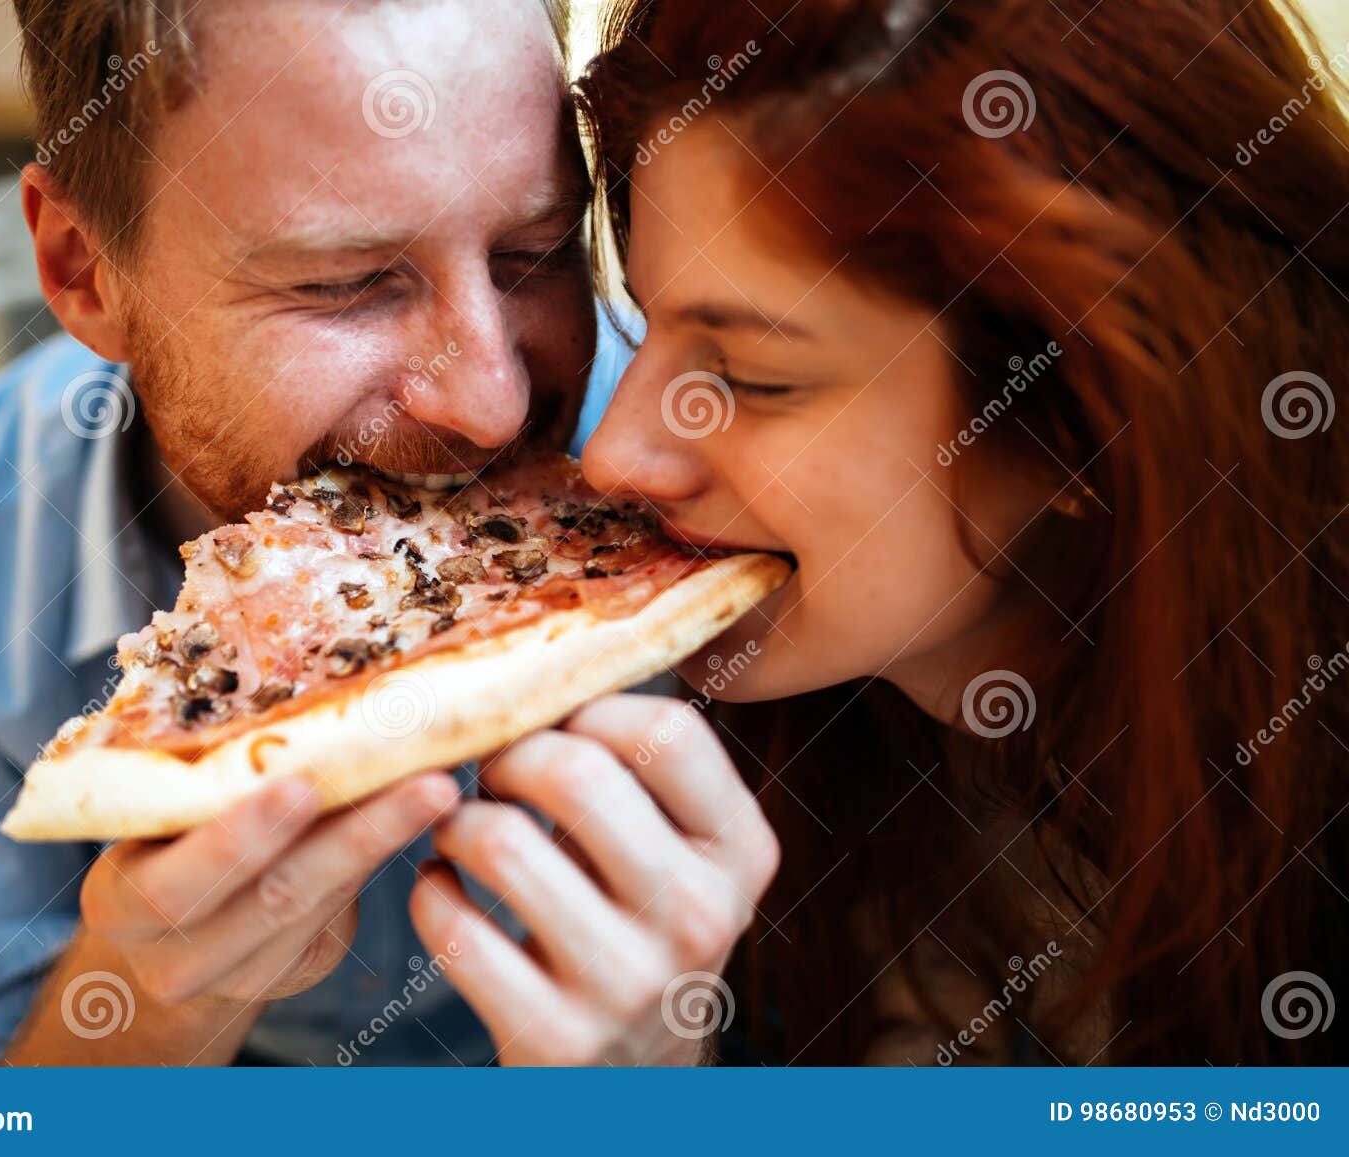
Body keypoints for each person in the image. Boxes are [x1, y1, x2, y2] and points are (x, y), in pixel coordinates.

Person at [0, 0, 776, 1067]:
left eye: (538, 250)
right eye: (347, 284)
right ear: (84, 269)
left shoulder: (731, 462)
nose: (493, 402)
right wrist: (144, 1004)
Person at [570, 0, 1349, 1063]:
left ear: (1079, 426)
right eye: (644, 317)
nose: (612, 454)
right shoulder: (763, 753)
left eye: (752, 377)